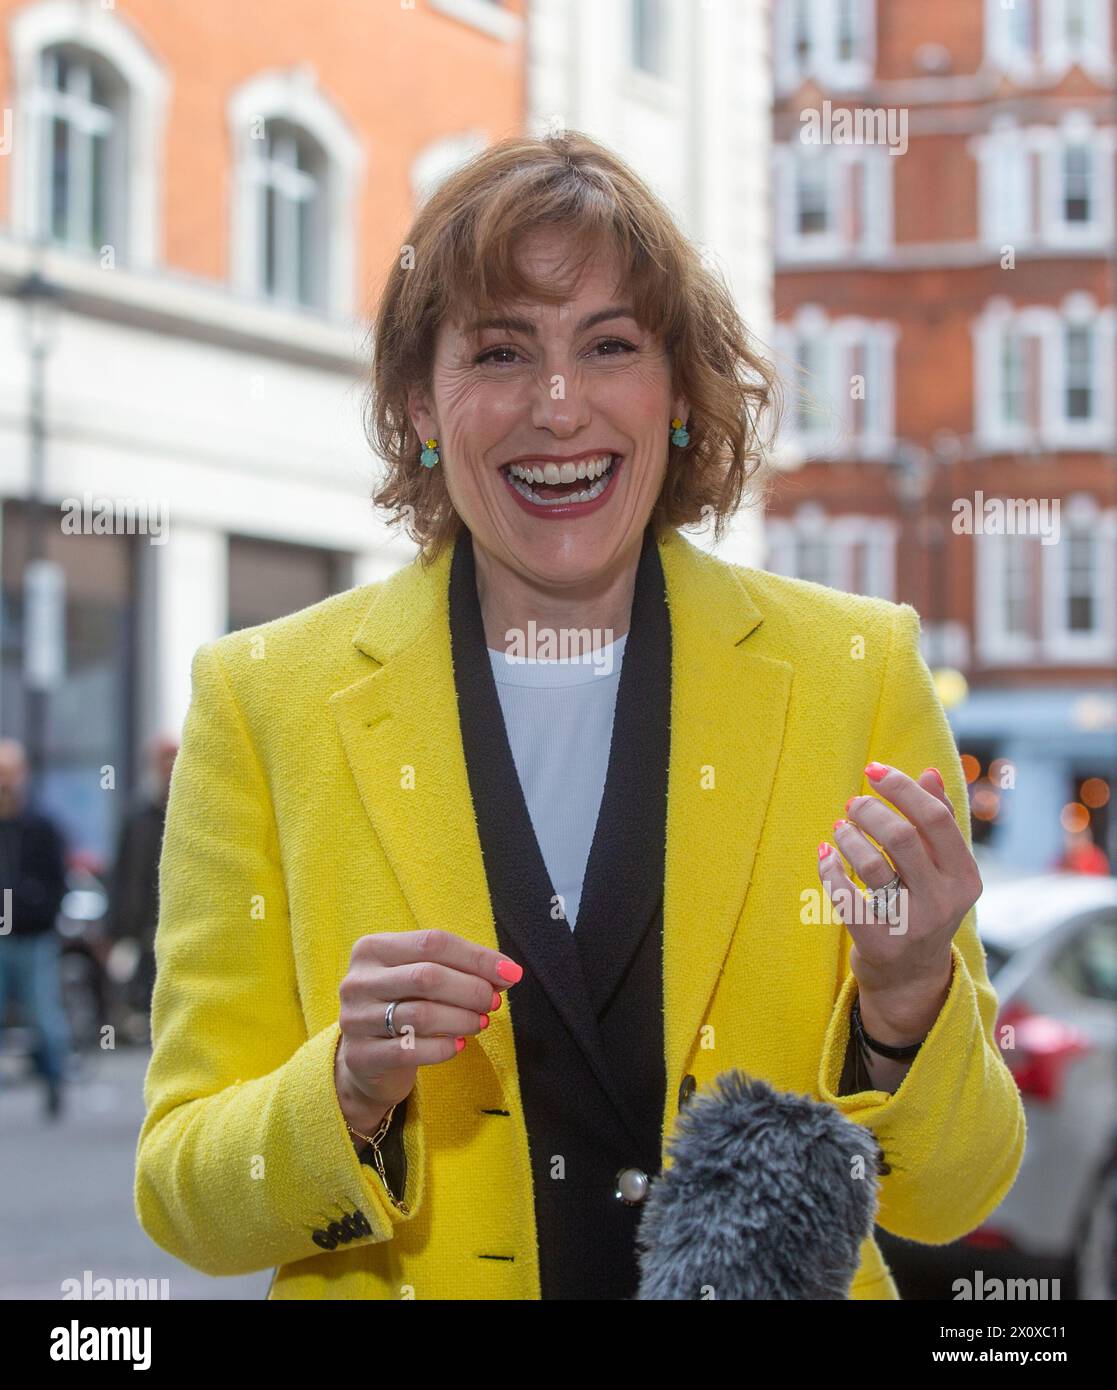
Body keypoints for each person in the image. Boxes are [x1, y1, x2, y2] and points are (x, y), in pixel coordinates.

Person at [136, 132, 1026, 1300]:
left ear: (675, 395)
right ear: (420, 402)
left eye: (609, 345)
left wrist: (909, 1006)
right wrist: (343, 1088)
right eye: (500, 352)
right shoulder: (263, 698)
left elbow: (953, 1191)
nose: (558, 406)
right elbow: (181, 1194)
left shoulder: (855, 668)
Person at [0, 738, 70, 1118]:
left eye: (8, 773)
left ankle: (55, 1080)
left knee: (45, 1015)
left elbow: (59, 881)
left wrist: (40, 912)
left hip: (33, 937)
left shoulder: (42, 827)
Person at [106, 735, 178, 1039]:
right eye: (163, 758)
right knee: (139, 1000)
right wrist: (116, 928)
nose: (169, 766)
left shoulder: (194, 814)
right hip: (140, 929)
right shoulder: (137, 817)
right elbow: (122, 873)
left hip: (178, 925)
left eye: (173, 757)